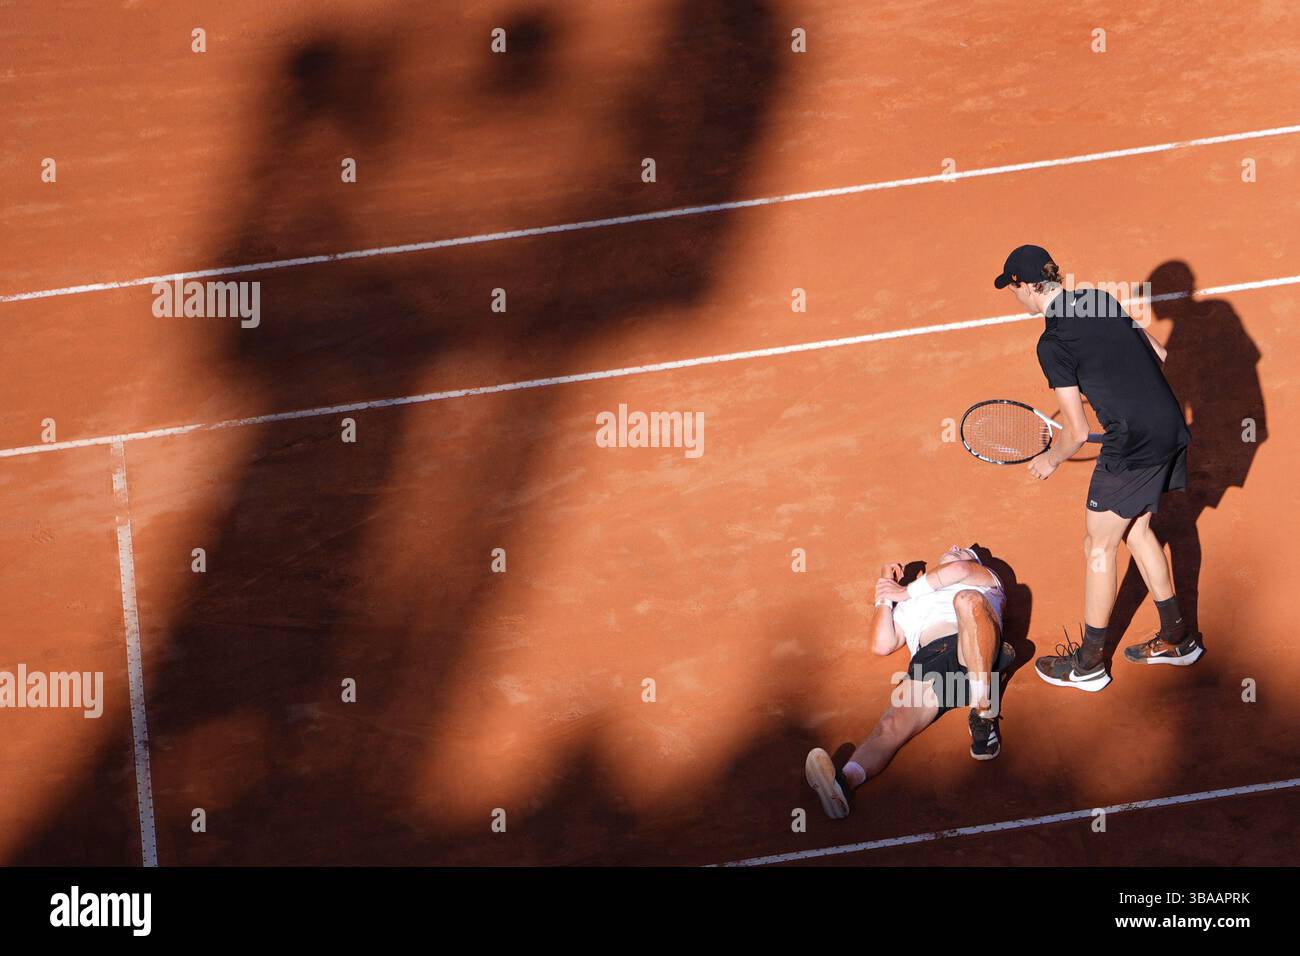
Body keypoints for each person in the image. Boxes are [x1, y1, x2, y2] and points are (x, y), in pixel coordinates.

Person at [993, 245, 1203, 693]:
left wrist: (1050, 460)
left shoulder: (1052, 344)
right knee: (1138, 531)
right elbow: (1159, 354)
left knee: (1098, 547)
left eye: (1013, 288)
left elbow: (1077, 431)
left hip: (1133, 446)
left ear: (1026, 286)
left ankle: (1088, 664)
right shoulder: (1097, 299)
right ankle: (1178, 638)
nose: (1014, 297)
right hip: (1169, 425)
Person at [805, 546, 1013, 819]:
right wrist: (885, 592)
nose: (954, 547)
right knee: (891, 725)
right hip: (931, 664)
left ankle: (983, 711)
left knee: (966, 600)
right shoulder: (913, 601)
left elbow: (959, 570)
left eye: (962, 550)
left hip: (975, 651)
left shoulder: (984, 580)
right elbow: (882, 644)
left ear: (975, 562)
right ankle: (842, 785)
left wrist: (903, 591)